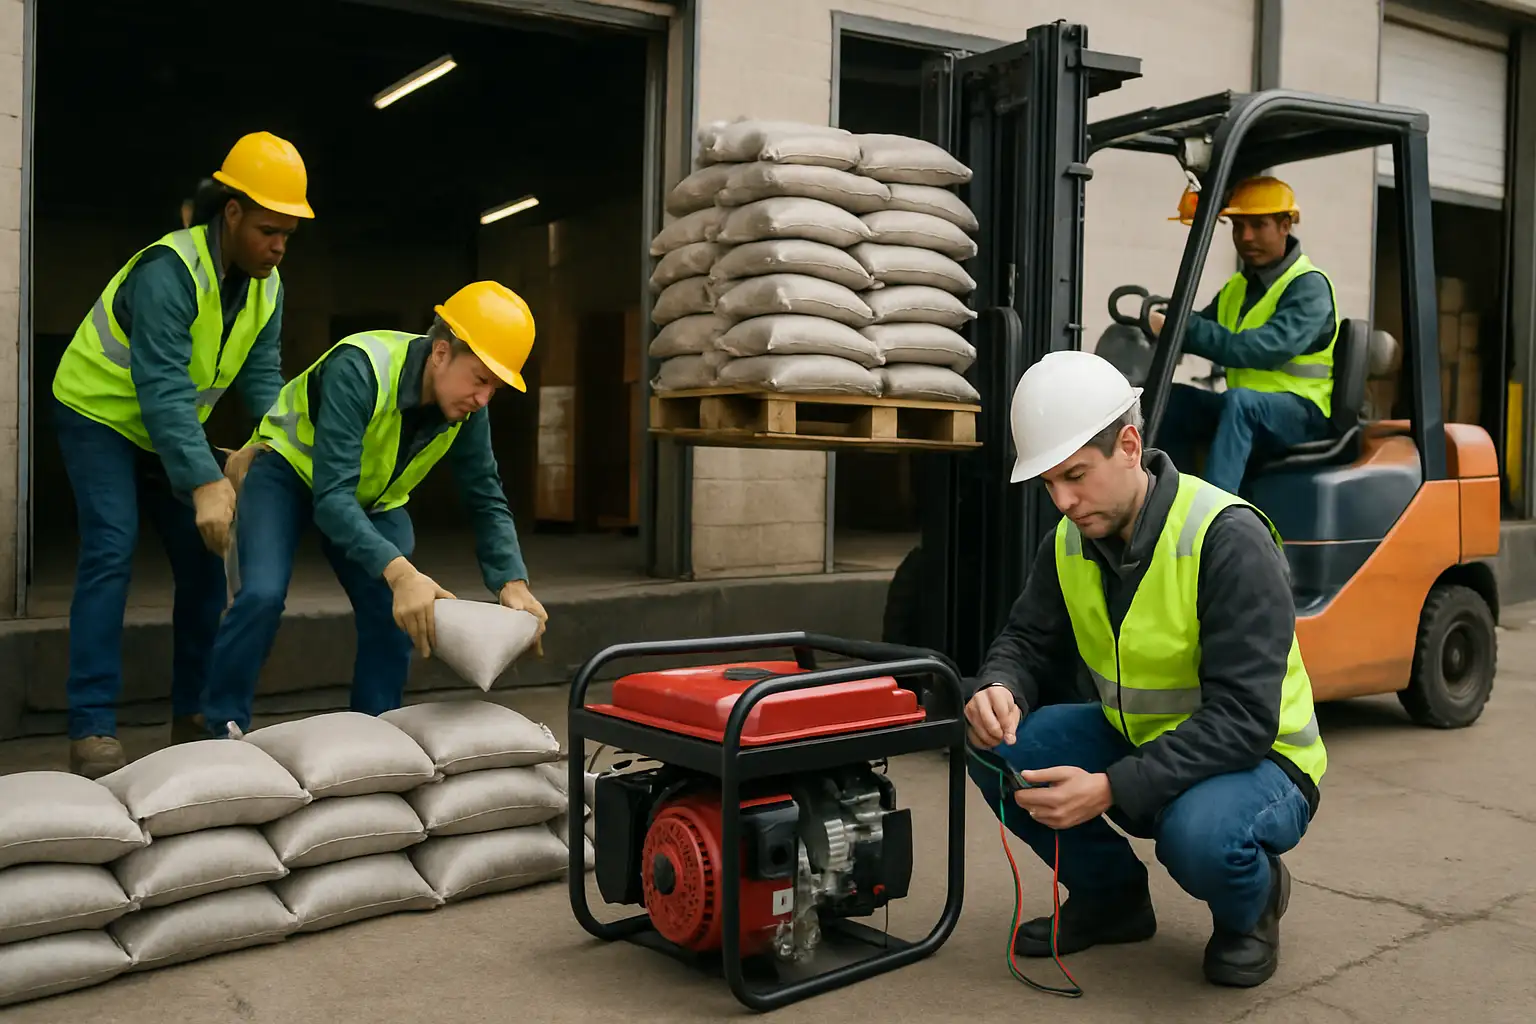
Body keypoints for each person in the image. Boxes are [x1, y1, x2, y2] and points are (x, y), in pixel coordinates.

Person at [963, 349, 1326, 989]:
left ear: (1129, 445)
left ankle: (1255, 904)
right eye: (1048, 483)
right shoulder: (1070, 542)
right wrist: (999, 686)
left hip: (1261, 761)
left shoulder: (1226, 538)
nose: (1063, 501)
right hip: (1141, 736)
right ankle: (1113, 900)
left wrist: (1110, 788)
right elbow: (1027, 637)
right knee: (999, 751)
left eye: (1075, 475)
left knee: (1199, 835)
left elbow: (1243, 719)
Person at [51, 131, 315, 778]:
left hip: (164, 425)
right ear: (232, 214)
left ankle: (194, 716)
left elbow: (261, 379)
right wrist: (202, 478)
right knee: (111, 547)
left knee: (204, 561)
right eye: (268, 230)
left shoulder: (265, 286)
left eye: (288, 233)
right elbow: (163, 386)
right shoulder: (169, 272)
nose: (279, 245)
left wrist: (266, 445)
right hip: (98, 416)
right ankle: (91, 728)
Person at [196, 281, 549, 738]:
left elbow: (485, 493)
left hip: (372, 500)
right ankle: (220, 728)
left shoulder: (468, 407)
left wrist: (512, 582)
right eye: (481, 380)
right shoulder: (360, 369)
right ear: (441, 353)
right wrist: (403, 573)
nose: (483, 399)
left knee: (395, 609)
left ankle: (375, 737)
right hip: (288, 473)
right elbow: (333, 500)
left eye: (495, 388)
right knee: (261, 595)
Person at [1149, 176, 1338, 493]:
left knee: (1241, 403)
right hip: (1248, 412)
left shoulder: (1308, 286)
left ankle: (1213, 516)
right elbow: (1202, 324)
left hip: (1302, 416)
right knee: (1170, 399)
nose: (1246, 237)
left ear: (1285, 225)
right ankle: (1164, 498)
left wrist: (1184, 328)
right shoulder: (1239, 286)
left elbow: (1260, 349)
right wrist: (1167, 317)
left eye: (1258, 225)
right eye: (1238, 227)